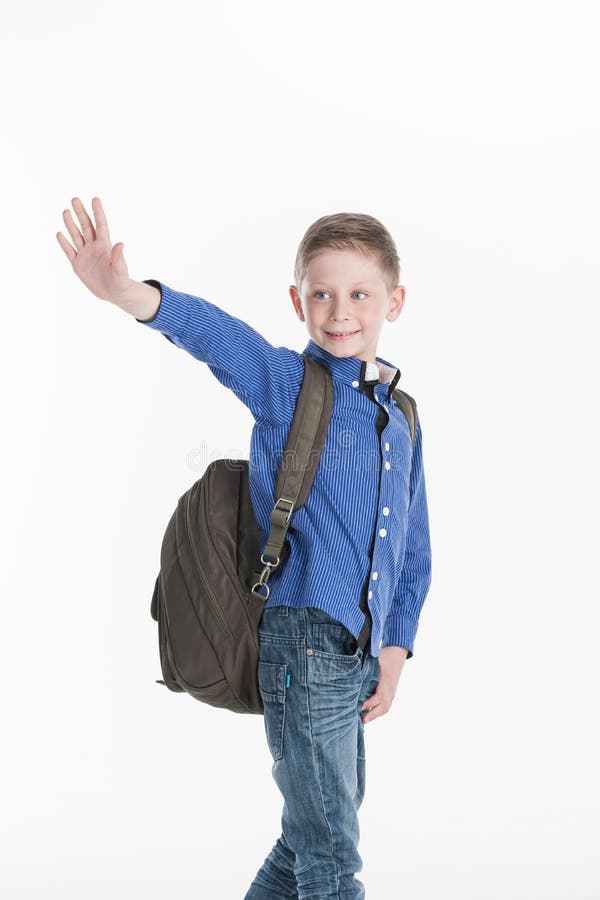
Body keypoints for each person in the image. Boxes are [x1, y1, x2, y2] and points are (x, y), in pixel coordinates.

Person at [56, 198, 433, 899]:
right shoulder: (291, 385)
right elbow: (221, 337)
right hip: (302, 645)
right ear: (298, 301)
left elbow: (413, 548)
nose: (339, 310)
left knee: (307, 839)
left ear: (395, 300)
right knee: (331, 856)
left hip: (355, 655)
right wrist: (130, 295)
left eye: (359, 293)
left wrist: (395, 646)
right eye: (321, 293)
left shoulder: (402, 417)